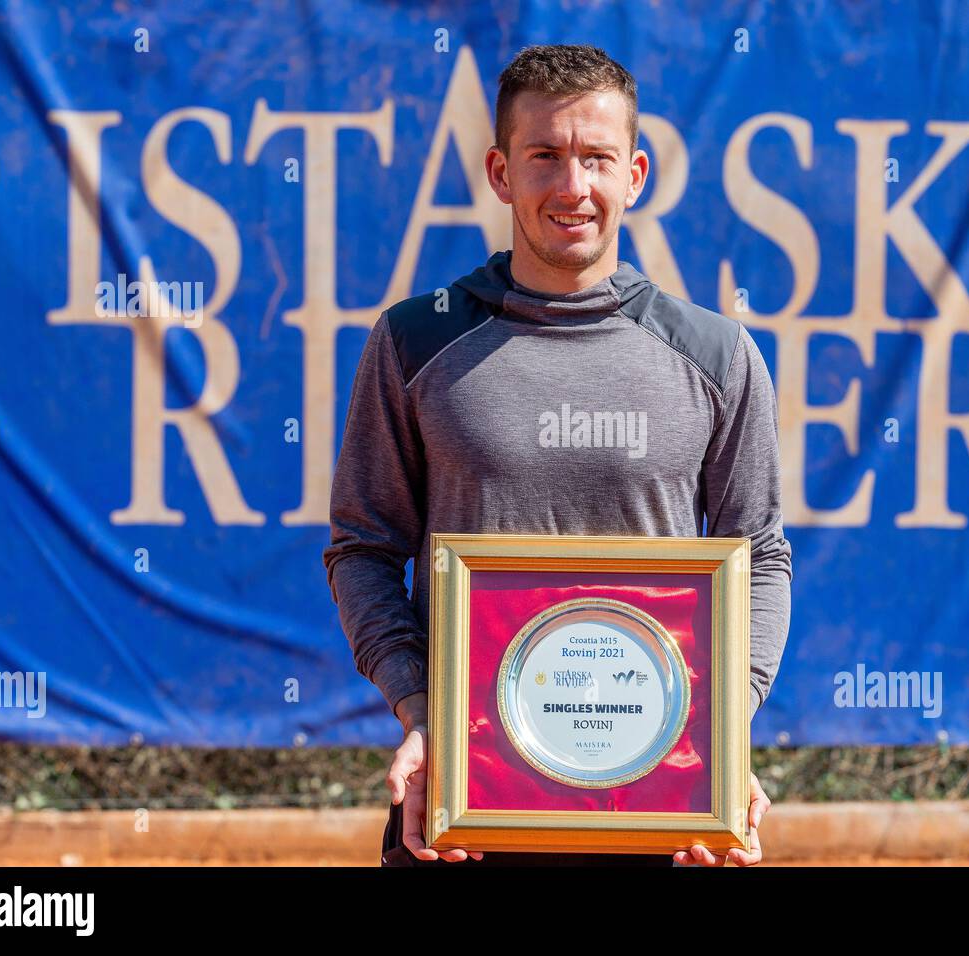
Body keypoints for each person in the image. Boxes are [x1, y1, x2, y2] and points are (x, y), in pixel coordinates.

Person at [323, 43, 790, 867]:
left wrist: (724, 729)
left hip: (661, 812)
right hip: (463, 812)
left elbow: (761, 556)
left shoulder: (718, 355)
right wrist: (423, 710)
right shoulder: (415, 339)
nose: (573, 187)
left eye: (597, 158)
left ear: (635, 174)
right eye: (545, 157)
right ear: (502, 172)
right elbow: (364, 547)